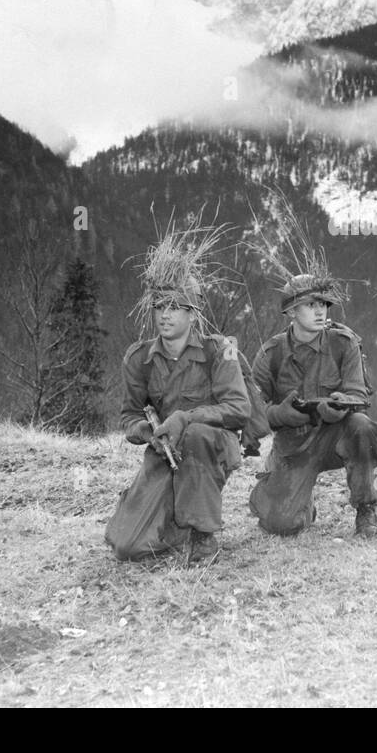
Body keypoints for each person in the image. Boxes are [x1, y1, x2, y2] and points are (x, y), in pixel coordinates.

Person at [110, 233, 251, 567]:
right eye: (159, 307)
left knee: (196, 434)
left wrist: (185, 418)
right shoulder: (138, 358)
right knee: (127, 547)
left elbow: (239, 409)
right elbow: (129, 416)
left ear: (193, 313)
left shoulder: (220, 349)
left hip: (211, 447)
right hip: (166, 453)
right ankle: (176, 522)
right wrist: (147, 432)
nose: (165, 315)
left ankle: (204, 535)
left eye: (175, 308)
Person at [249, 273, 377, 537]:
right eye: (311, 305)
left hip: (335, 438)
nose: (320, 311)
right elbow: (251, 413)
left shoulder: (344, 343)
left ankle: (368, 509)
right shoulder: (271, 354)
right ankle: (301, 502)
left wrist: (337, 405)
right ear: (291, 311)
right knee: (281, 525)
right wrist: (280, 414)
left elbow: (358, 393)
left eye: (324, 304)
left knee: (363, 427)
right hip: (293, 446)